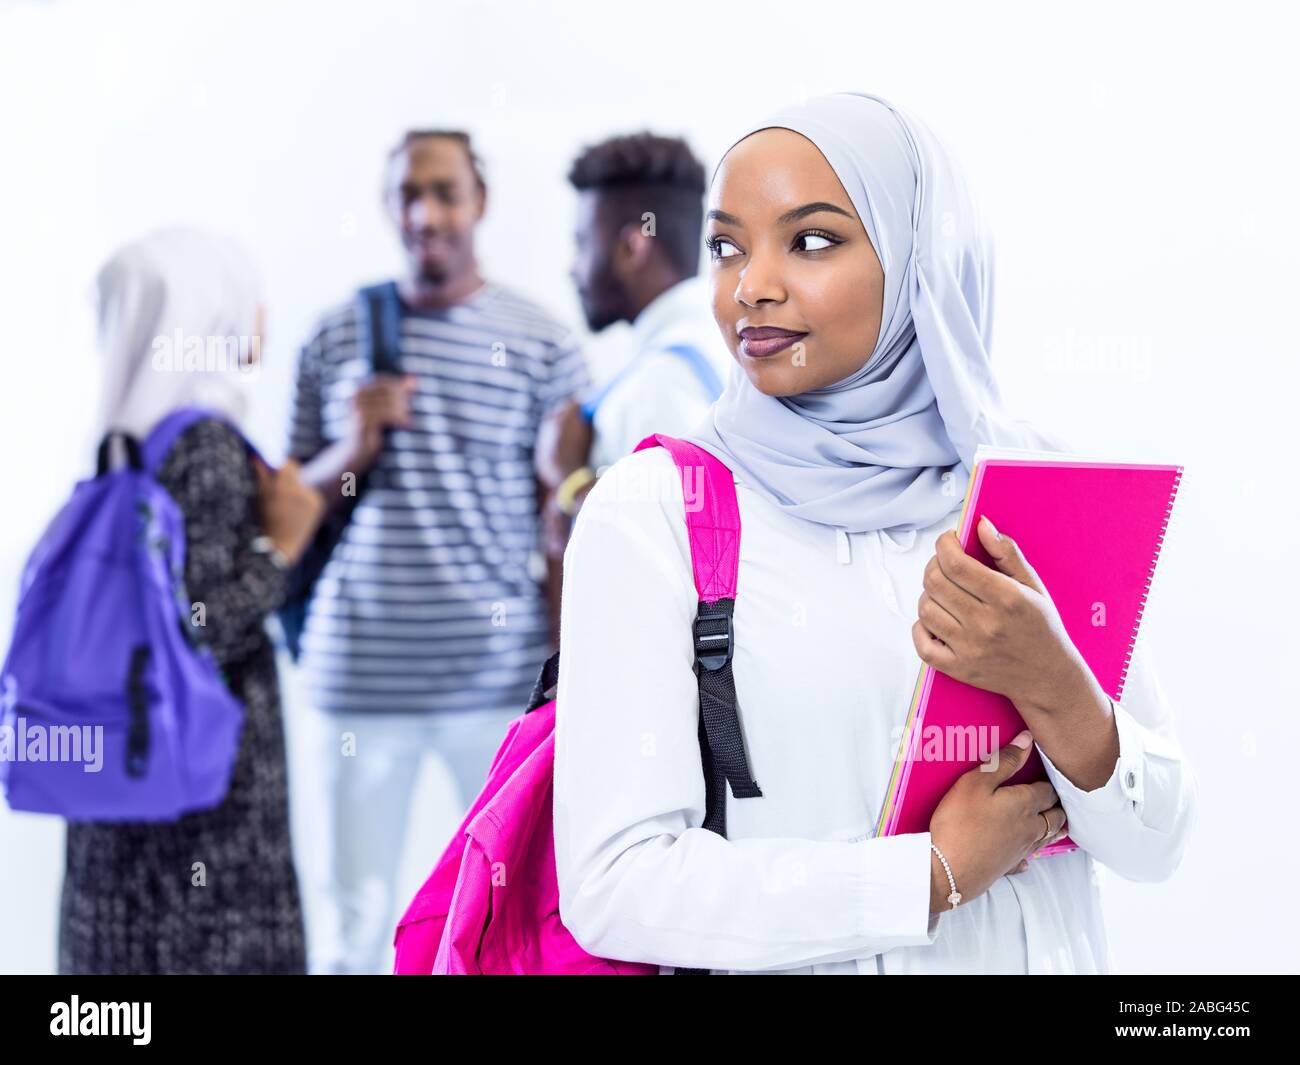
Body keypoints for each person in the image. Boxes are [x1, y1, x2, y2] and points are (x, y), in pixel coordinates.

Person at [552, 93, 1197, 975]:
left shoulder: (1034, 488)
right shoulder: (653, 511)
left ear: (919, 259)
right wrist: (923, 877)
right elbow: (615, 885)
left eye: (810, 241)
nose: (752, 286)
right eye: (726, 246)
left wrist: (1059, 689)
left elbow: (1156, 845)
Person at [287, 128, 590, 974]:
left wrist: (571, 673)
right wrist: (348, 444)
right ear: (389, 206)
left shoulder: (543, 341)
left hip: (495, 678)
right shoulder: (336, 335)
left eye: (445, 192)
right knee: (353, 923)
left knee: (513, 915)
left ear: (479, 201)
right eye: (408, 194)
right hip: (355, 678)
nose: (426, 213)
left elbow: (559, 517)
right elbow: (289, 515)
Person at [59, 226, 324, 974]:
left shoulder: (120, 442)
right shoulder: (204, 443)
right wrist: (280, 547)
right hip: (205, 806)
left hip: (126, 783)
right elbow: (198, 627)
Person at [537, 134, 731, 543]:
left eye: (582, 243)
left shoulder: (659, 381)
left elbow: (679, 542)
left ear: (631, 248)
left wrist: (571, 482)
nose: (573, 269)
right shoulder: (723, 346)